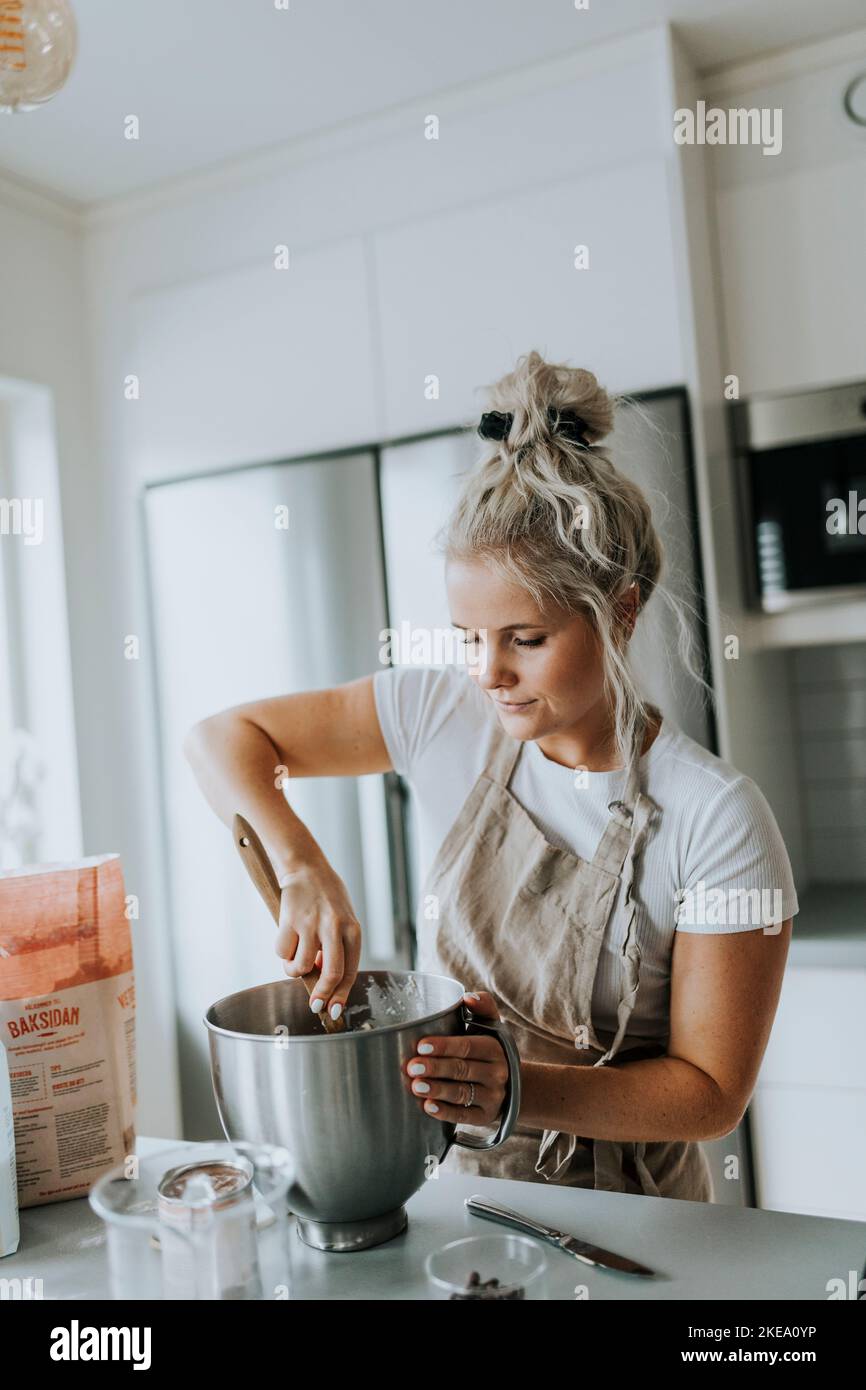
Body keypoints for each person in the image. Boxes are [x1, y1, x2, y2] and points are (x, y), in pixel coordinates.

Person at [184, 349, 798, 1201]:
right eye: (468, 637)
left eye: (526, 638)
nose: (488, 672)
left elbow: (709, 1096)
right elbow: (221, 738)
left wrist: (514, 1086)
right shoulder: (447, 719)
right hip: (455, 1196)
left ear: (619, 614)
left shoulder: (717, 817)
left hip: (637, 1224)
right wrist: (300, 865)